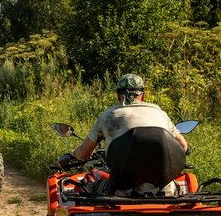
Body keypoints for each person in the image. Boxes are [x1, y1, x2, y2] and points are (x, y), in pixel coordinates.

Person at [60, 73, 188, 193]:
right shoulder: (160, 114)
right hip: (163, 189)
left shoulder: (108, 116)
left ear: (118, 95)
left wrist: (72, 155)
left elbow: (83, 154)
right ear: (143, 95)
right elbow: (183, 146)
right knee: (178, 189)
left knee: (87, 186)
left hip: (120, 190)